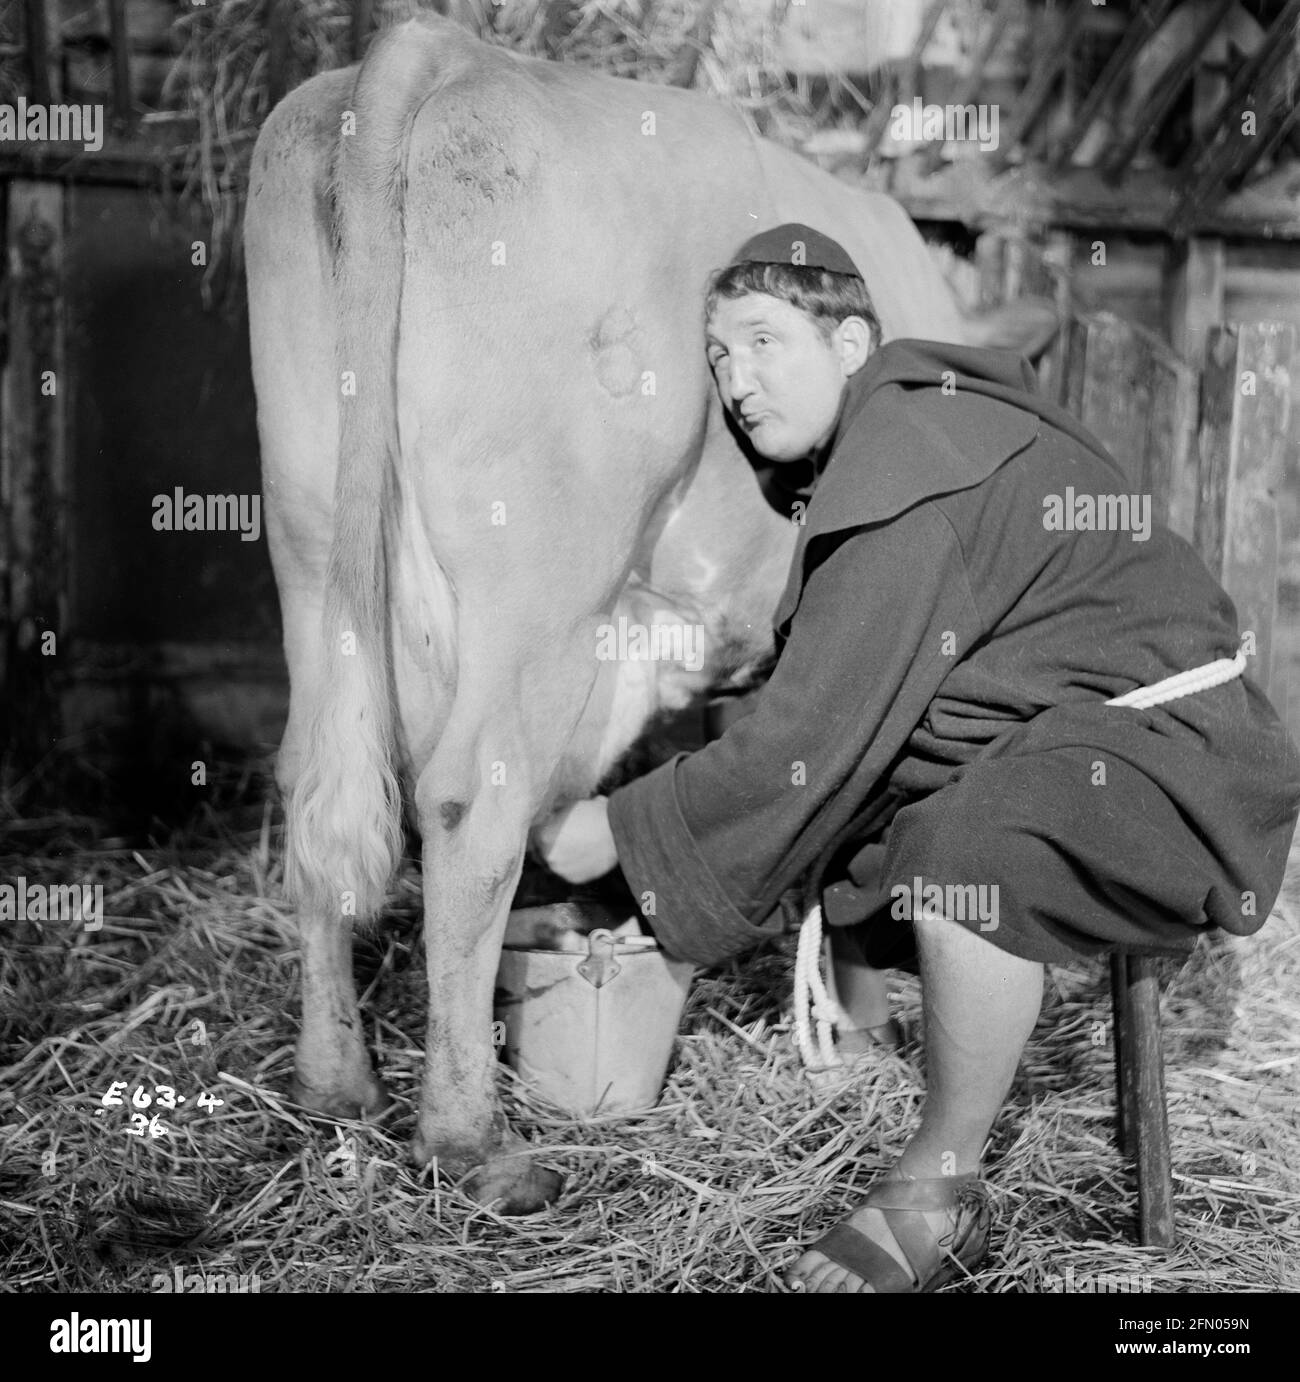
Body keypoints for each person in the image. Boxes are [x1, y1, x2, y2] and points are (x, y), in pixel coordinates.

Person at [534, 223, 1300, 1294]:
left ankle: (937, 1185)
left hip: (1184, 760)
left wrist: (607, 829)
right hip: (1099, 718)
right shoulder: (906, 424)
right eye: (719, 357)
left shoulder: (903, 483)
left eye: (763, 342)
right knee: (877, 772)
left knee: (958, 847)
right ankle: (856, 1032)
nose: (737, 383)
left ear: (850, 343)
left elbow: (805, 740)